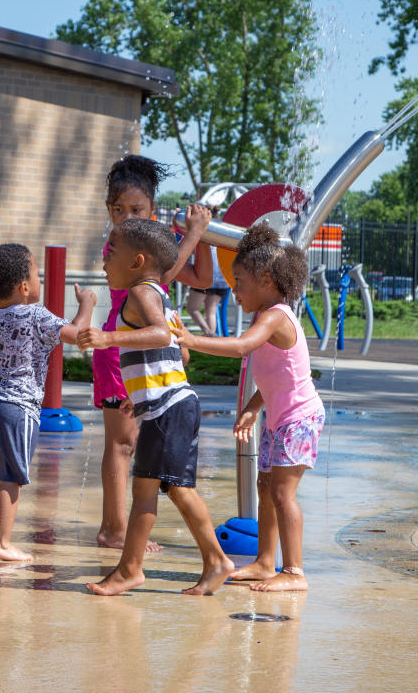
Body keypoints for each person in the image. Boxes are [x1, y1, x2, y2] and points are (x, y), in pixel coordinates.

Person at [78, 218, 232, 595]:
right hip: (169, 404)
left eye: (111, 252)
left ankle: (131, 570)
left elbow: (162, 335)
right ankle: (215, 561)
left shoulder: (140, 294)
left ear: (137, 261)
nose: (104, 260)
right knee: (177, 489)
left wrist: (108, 337)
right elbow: (176, 353)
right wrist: (139, 394)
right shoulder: (158, 295)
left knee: (150, 491)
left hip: (169, 409)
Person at [177, 223, 323, 592]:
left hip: (299, 418)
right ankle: (263, 561)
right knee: (264, 485)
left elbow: (243, 348)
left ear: (268, 281)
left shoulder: (275, 316)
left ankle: (294, 572)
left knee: (282, 493)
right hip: (279, 416)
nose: (234, 289)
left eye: (239, 281)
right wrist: (254, 407)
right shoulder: (267, 314)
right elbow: (277, 375)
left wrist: (192, 339)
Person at [92, 155, 212, 552]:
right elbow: (164, 276)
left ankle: (121, 526)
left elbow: (203, 278)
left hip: (142, 353)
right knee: (122, 442)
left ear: (153, 210)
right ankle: (114, 529)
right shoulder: (121, 248)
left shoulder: (154, 244)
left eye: (136, 209)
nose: (125, 217)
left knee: (139, 442)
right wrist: (193, 235)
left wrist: (206, 236)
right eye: (118, 209)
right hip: (119, 349)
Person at [0, 243, 95, 561]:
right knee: (12, 477)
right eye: (37, 273)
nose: (40, 279)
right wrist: (87, 303)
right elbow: (79, 335)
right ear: (24, 287)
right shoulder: (36, 315)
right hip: (19, 410)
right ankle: (2, 542)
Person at [186, 245, 229, 337]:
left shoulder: (204, 242)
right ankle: (211, 336)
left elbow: (192, 250)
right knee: (211, 311)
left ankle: (208, 332)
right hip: (222, 280)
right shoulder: (220, 242)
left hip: (205, 277)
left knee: (192, 308)